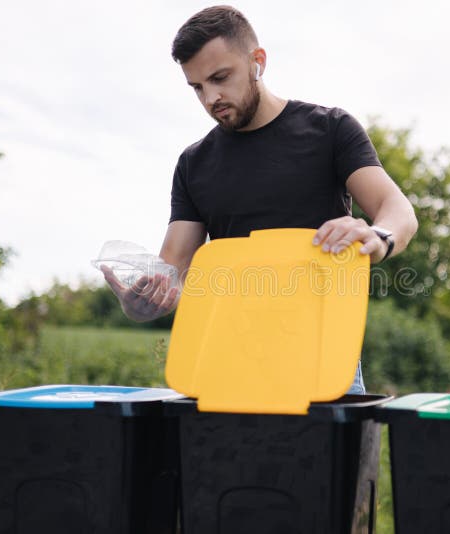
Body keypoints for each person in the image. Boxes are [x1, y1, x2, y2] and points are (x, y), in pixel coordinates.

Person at [103, 5, 418, 394]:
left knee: (330, 458)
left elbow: (397, 209)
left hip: (323, 360)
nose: (211, 98)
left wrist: (380, 236)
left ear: (258, 61)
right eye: (197, 87)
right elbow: (174, 270)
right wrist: (145, 303)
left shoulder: (330, 129)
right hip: (229, 361)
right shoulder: (193, 163)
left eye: (221, 77)